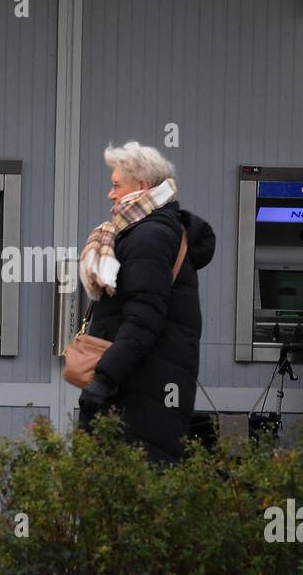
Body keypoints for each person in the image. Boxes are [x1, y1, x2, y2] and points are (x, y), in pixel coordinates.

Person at [76, 141, 216, 463]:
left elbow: (144, 317)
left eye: (116, 185)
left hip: (140, 388)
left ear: (140, 186)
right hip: (147, 382)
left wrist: (105, 377)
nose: (110, 194)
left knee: (132, 486)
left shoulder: (148, 237)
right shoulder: (147, 231)